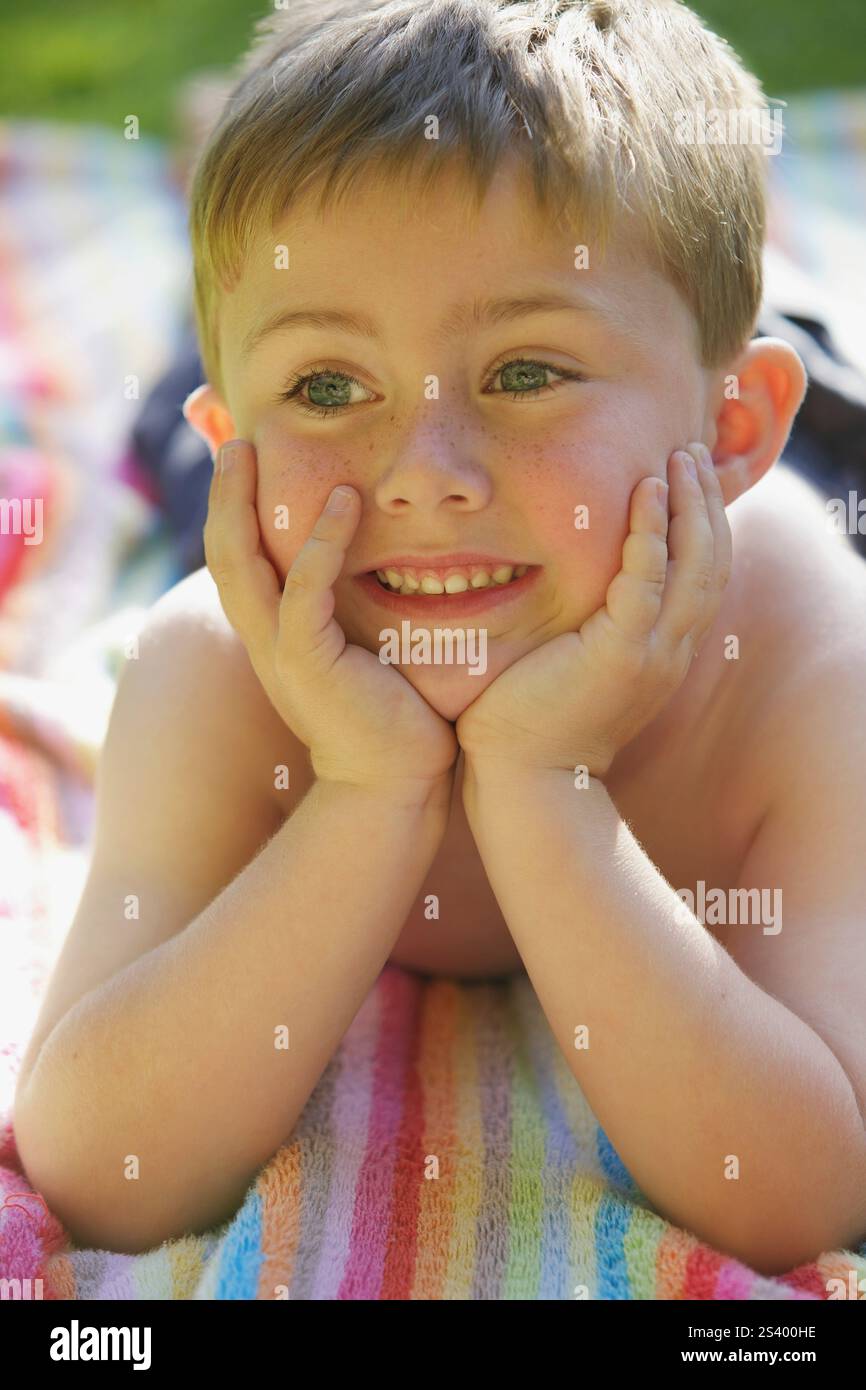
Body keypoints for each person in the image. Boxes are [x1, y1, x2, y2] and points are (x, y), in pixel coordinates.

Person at [14, 0, 866, 1277]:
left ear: (728, 428)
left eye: (524, 373)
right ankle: (233, 175)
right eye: (326, 389)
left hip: (752, 453)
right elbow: (97, 1166)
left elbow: (803, 1193)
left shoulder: (798, 662)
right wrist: (365, 791)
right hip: (367, 539)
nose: (427, 475)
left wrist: (542, 785)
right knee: (241, 405)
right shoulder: (225, 669)